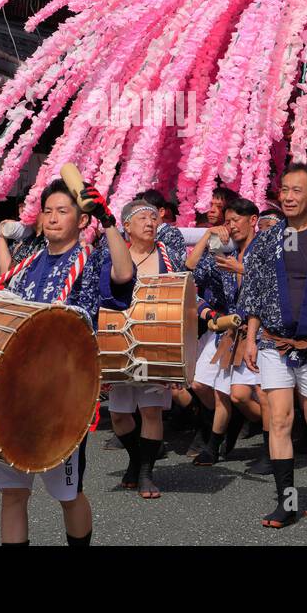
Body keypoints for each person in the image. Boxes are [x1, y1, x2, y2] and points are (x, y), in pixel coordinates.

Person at [0, 177, 135, 545]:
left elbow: (124, 275)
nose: (52, 218)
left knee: (68, 495)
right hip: (17, 390)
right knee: (13, 493)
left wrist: (109, 219)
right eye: (47, 211)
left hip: (64, 393)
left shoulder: (93, 257)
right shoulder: (28, 261)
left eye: (63, 211)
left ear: (82, 220)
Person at [238, 163, 307, 527]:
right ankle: (287, 501)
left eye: (296, 190)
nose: (287, 196)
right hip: (273, 343)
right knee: (280, 419)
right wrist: (251, 337)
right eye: (284, 189)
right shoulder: (268, 239)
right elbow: (254, 291)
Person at [103, 200, 178, 499]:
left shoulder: (166, 256)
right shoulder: (112, 255)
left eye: (153, 217)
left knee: (150, 410)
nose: (150, 222)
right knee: (120, 415)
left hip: (155, 339)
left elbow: (182, 292)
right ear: (127, 226)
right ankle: (136, 458)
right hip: (120, 338)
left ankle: (146, 471)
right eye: (142, 218)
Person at [194, 198, 265, 468]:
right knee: (200, 384)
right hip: (226, 329)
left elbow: (280, 283)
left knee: (238, 396)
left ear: (253, 220)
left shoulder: (266, 249)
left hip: (258, 332)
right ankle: (215, 438)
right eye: (228, 221)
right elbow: (191, 275)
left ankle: (276, 432)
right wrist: (207, 236)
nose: (231, 226)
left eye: (236, 220)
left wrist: (244, 270)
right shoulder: (226, 252)